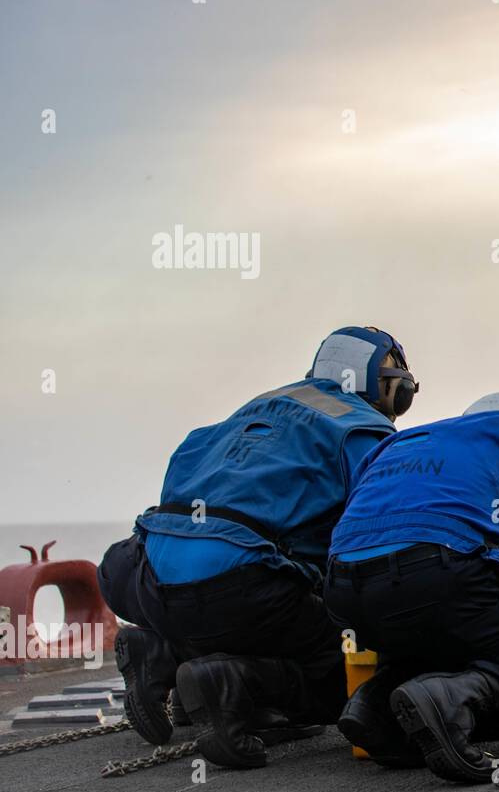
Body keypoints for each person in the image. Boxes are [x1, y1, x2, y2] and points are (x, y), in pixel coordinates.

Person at [97, 326, 417, 768]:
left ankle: (162, 653)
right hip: (238, 588)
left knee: (227, 591)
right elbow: (374, 542)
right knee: (347, 669)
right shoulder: (361, 429)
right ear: (386, 386)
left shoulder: (257, 406)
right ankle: (234, 682)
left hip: (144, 576)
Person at [324, 392, 499, 782]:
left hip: (344, 590)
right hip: (439, 573)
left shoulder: (399, 444)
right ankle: (449, 701)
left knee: (432, 652)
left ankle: (374, 708)